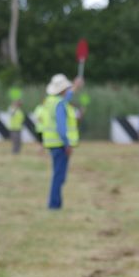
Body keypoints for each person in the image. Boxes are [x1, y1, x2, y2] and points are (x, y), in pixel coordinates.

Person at [41, 73, 84, 209]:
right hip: (60, 145)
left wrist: (75, 87)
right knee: (59, 177)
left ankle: (56, 203)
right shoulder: (59, 104)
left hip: (53, 144)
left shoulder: (51, 101)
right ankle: (54, 205)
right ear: (62, 90)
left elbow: (67, 97)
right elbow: (61, 127)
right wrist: (67, 144)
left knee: (58, 176)